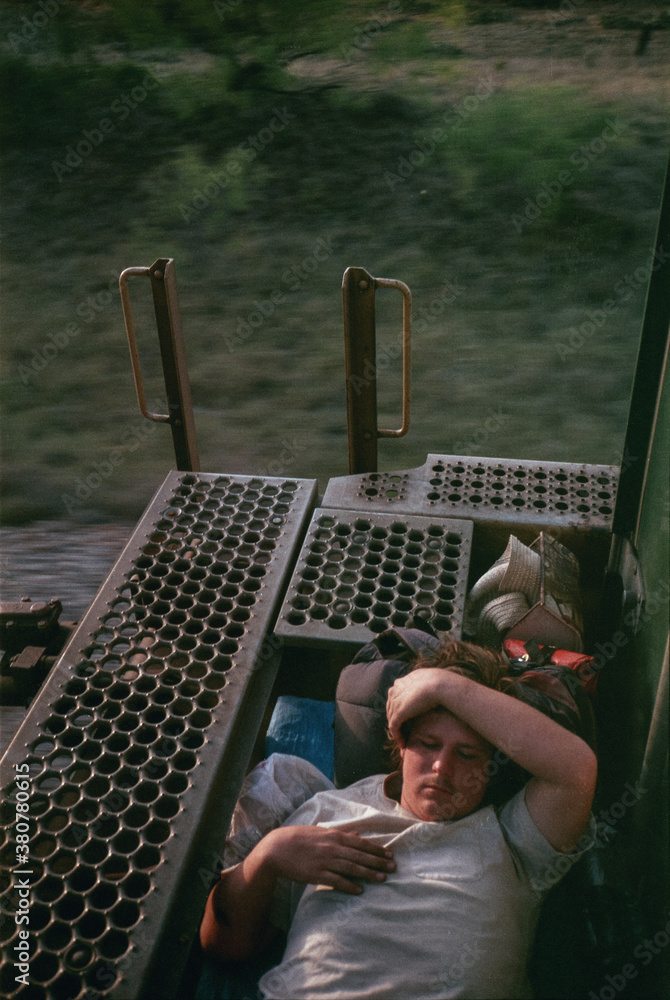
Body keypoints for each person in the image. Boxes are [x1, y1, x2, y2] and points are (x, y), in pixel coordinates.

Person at [199, 641, 597, 999]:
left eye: (468, 755)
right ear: (401, 744)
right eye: (428, 744)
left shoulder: (514, 839)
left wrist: (443, 685)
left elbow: (575, 771)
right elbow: (223, 946)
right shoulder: (327, 812)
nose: (442, 768)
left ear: (491, 769)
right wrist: (266, 857)